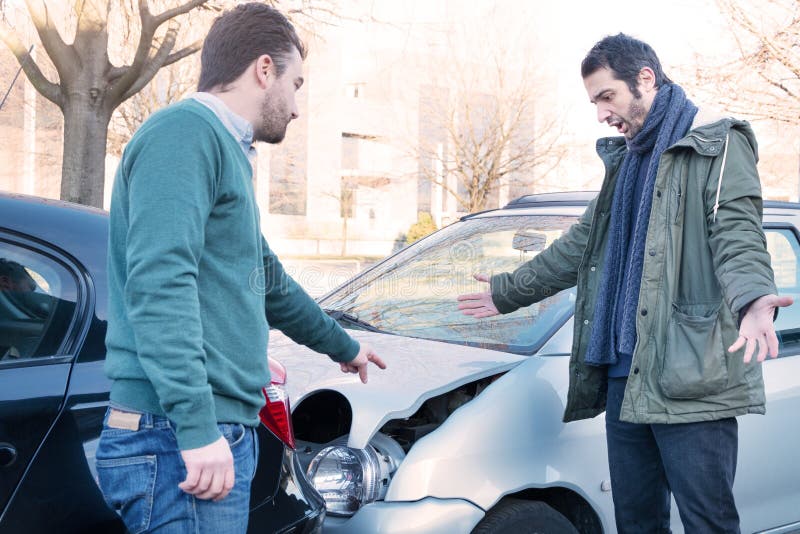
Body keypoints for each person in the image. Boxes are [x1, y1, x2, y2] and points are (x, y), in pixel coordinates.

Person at [457, 33, 792, 533]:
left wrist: (754, 299)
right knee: (636, 521)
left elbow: (736, 231)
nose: (600, 113)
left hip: (689, 375)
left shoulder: (717, 141)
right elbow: (581, 245)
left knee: (708, 522)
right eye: (593, 102)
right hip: (622, 375)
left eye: (606, 96)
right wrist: (510, 289)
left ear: (645, 79)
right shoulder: (627, 160)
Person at [97, 4, 386, 533]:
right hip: (174, 435)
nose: (296, 107)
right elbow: (160, 284)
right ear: (263, 69)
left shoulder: (224, 150)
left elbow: (266, 280)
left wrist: (343, 346)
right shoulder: (184, 135)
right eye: (296, 84)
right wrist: (195, 425)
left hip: (205, 428)